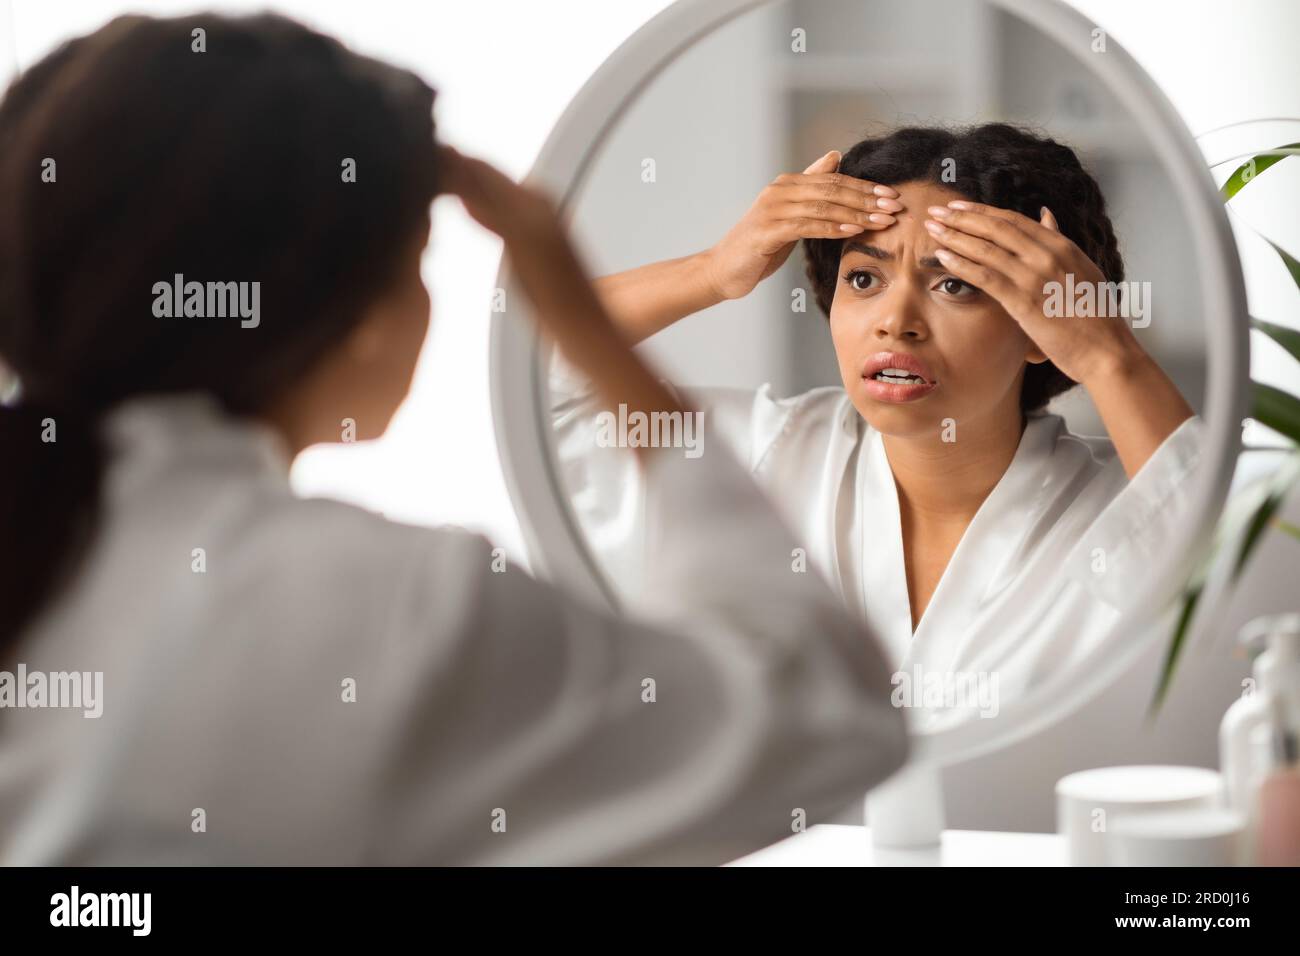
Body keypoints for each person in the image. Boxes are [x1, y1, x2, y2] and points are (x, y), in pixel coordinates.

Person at [0, 12, 907, 865]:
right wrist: (599, 291)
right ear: (364, 313)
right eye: (418, 259)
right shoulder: (396, 609)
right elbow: (825, 719)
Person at [553, 125, 1201, 728]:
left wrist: (1107, 354)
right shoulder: (756, 456)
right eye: (863, 277)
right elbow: (530, 376)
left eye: (954, 285)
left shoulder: (1127, 510)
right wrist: (712, 272)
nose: (896, 320)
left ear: (1039, 326)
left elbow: (1234, 596)